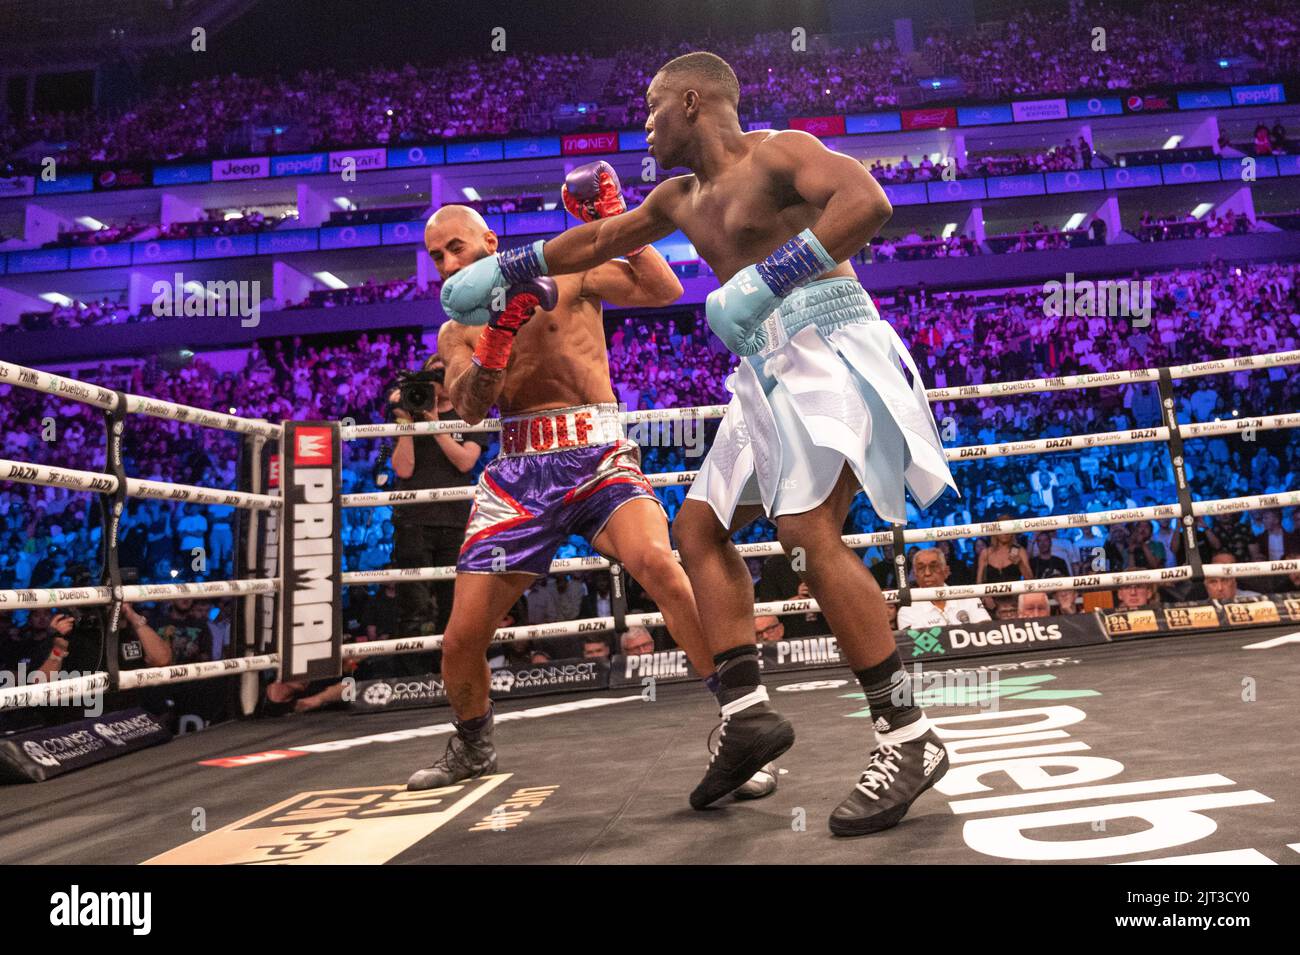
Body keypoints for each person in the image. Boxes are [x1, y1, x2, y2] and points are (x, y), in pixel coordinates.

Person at [439, 51, 957, 835]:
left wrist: (766, 277)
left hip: (829, 338)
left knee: (808, 536)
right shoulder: (679, 197)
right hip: (763, 365)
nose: (642, 127)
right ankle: (746, 715)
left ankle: (908, 735)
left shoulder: (778, 152)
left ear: (689, 102)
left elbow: (867, 199)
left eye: (650, 109)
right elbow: (601, 238)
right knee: (697, 528)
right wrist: (508, 269)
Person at [408, 182, 775, 800]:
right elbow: (471, 409)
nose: (448, 265)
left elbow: (665, 288)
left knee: (659, 563)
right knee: (461, 639)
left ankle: (741, 723)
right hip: (520, 473)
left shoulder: (568, 270)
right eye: (437, 257)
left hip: (597, 453)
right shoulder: (456, 331)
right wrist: (498, 332)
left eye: (455, 248)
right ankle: (473, 744)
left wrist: (613, 214)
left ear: (489, 243)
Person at [388, 353, 483, 662]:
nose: (438, 380)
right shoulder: (408, 412)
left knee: (452, 600)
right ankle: (411, 674)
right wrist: (408, 420)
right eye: (433, 374)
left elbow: (465, 461)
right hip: (413, 518)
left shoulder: (469, 414)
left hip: (453, 519)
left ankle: (450, 670)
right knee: (413, 601)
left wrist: (435, 425)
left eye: (444, 373)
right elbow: (403, 469)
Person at [897, 547, 990, 629]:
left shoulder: (968, 597)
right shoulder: (907, 610)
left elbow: (987, 630)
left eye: (933, 566)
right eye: (921, 568)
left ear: (946, 571)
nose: (927, 573)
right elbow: (912, 646)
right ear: (915, 575)